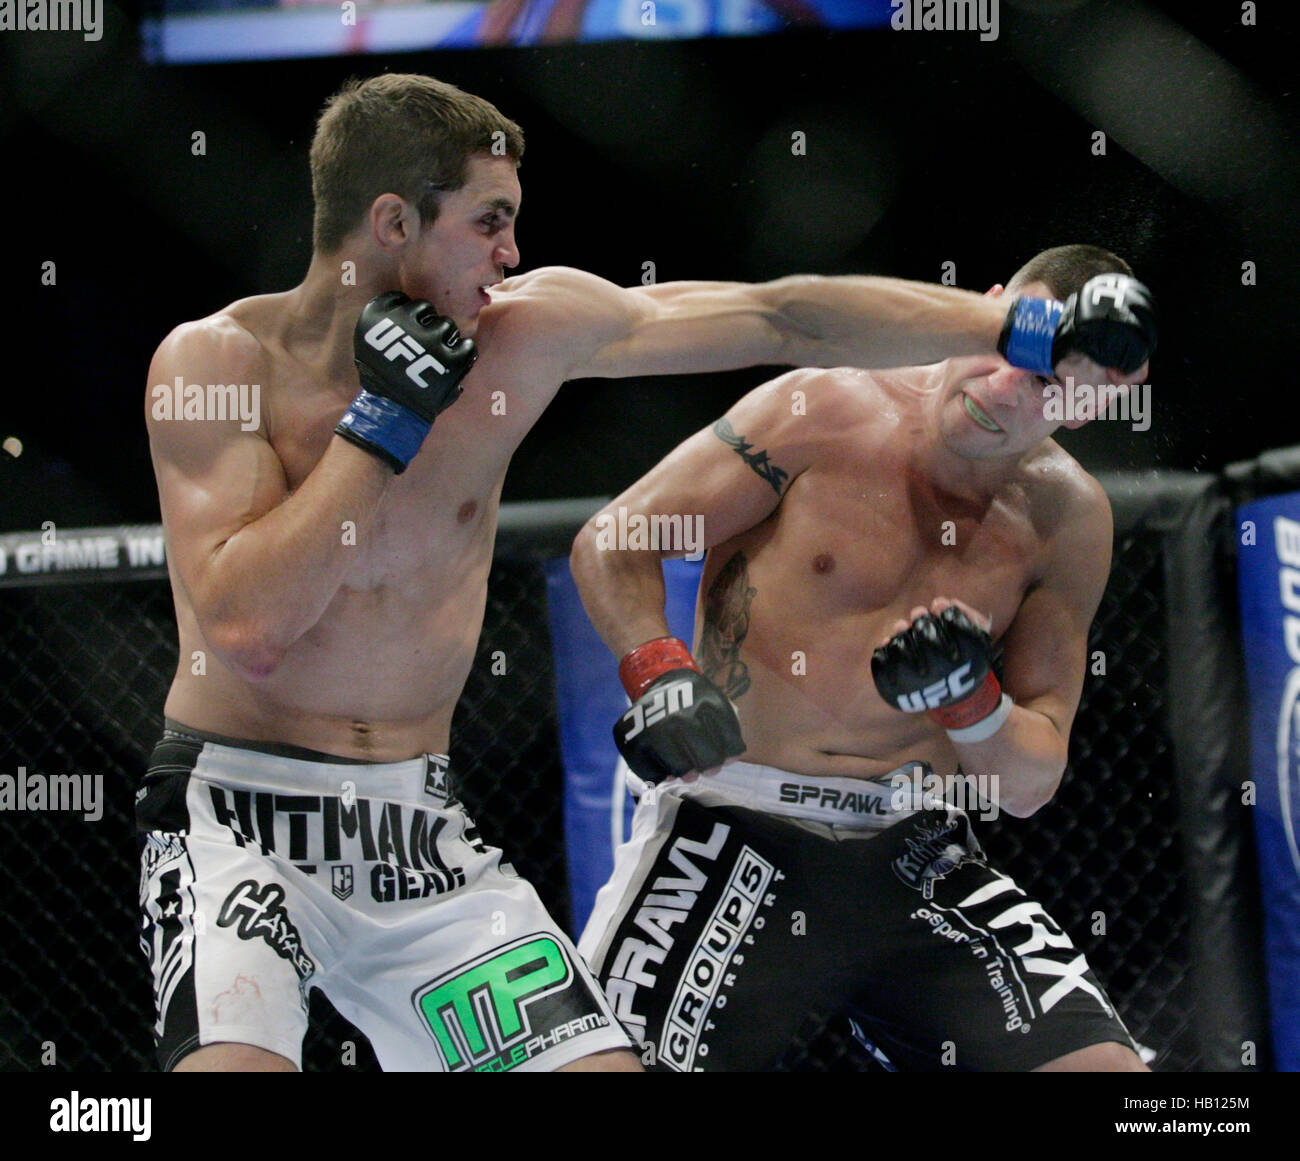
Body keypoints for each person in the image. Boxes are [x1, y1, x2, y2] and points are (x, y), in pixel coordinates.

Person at [138, 66, 1150, 1073]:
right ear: (394, 221)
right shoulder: (216, 363)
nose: (512, 253)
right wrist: (383, 422)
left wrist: (1023, 330)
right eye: (490, 222)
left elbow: (780, 316)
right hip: (240, 819)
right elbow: (248, 630)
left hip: (419, 825)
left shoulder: (523, 333)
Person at [571, 244, 1156, 1072]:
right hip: (735, 817)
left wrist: (970, 701)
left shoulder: (1067, 517)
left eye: (1050, 385)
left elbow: (1029, 782)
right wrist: (660, 671)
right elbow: (615, 540)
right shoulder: (822, 408)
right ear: (990, 306)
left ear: (1095, 404)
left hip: (918, 850)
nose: (1003, 391)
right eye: (1015, 351)